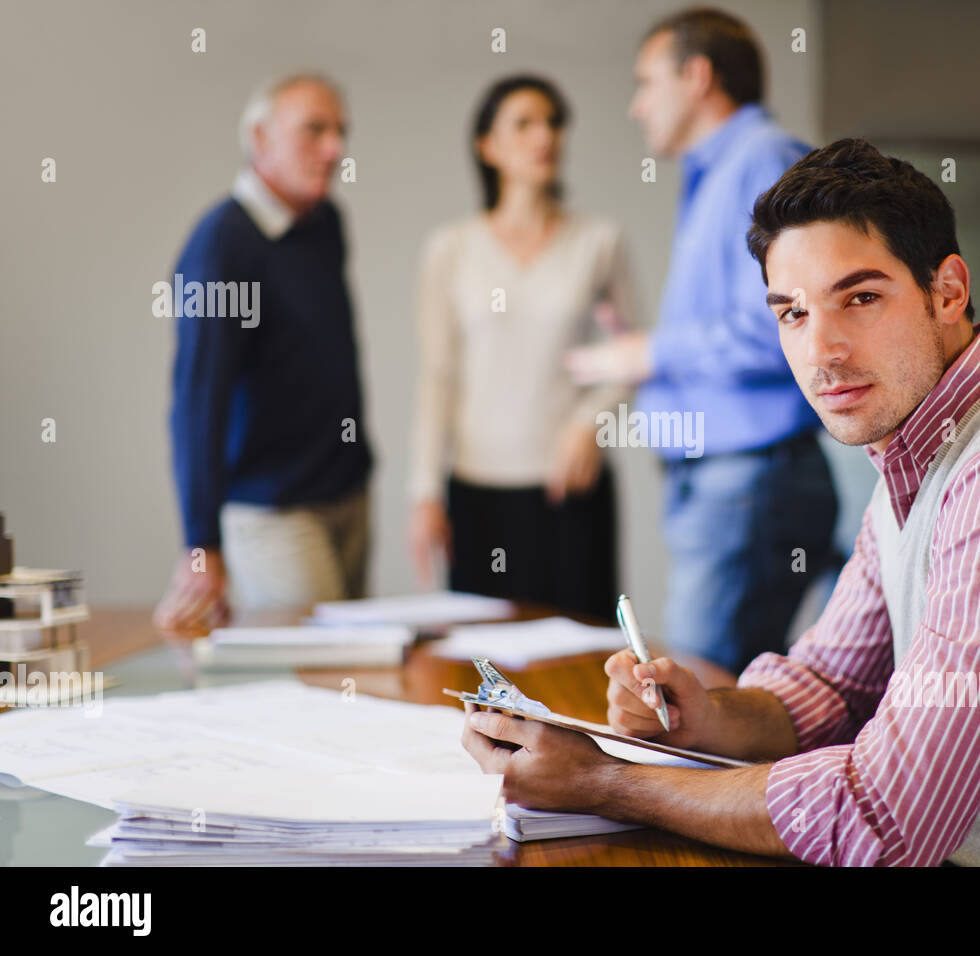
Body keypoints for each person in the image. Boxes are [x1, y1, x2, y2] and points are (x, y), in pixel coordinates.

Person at [461, 138, 980, 867]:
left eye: (861, 298)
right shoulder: (917, 457)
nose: (821, 351)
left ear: (947, 292)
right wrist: (706, 717)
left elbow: (886, 820)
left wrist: (606, 783)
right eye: (793, 313)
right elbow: (832, 688)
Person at [565, 7, 838, 673]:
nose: (636, 105)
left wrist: (648, 353)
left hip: (748, 476)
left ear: (696, 76)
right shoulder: (718, 171)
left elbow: (792, 323)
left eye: (646, 82)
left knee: (695, 702)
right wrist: (648, 350)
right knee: (702, 693)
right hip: (726, 478)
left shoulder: (763, 160)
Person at [407, 75, 636, 621]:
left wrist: (590, 421)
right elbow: (437, 375)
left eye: (554, 123)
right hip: (476, 494)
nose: (545, 137)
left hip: (571, 493)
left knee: (581, 662)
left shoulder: (599, 243)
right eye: (525, 123)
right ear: (487, 146)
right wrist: (423, 493)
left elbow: (631, 353)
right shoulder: (450, 250)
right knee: (483, 665)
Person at [153, 74, 373, 634]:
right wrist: (201, 544)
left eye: (340, 132)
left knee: (358, 680)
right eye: (313, 131)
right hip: (275, 512)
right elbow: (196, 403)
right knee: (318, 683)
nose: (335, 149)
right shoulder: (221, 244)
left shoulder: (327, 222)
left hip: (347, 495)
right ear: (258, 136)